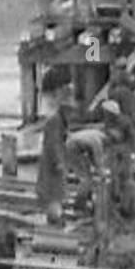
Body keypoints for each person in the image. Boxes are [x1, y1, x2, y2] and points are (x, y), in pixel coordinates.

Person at [35, 68, 76, 225]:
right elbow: (54, 144)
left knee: (55, 196)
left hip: (52, 165)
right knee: (54, 195)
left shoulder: (55, 118)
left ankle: (54, 221)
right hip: (52, 167)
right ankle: (55, 223)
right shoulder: (54, 120)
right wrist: (60, 163)